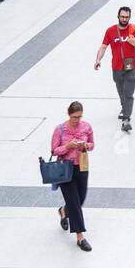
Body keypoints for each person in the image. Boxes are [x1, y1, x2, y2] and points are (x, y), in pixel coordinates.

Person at [95, 6, 135, 133]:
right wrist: (98, 60)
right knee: (121, 91)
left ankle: (126, 119)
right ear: (118, 16)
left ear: (129, 17)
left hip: (131, 66)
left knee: (128, 93)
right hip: (117, 67)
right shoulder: (110, 31)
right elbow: (103, 46)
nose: (124, 19)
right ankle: (124, 108)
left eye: (127, 17)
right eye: (122, 16)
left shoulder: (134, 30)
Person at [52, 101, 93, 251]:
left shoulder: (86, 127)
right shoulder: (60, 129)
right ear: (69, 114)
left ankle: (64, 211)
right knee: (75, 203)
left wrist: (86, 145)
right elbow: (54, 151)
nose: (77, 120)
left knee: (80, 199)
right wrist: (67, 147)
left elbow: (92, 144)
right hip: (65, 169)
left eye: (79, 117)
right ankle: (80, 237)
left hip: (82, 166)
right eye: (74, 117)